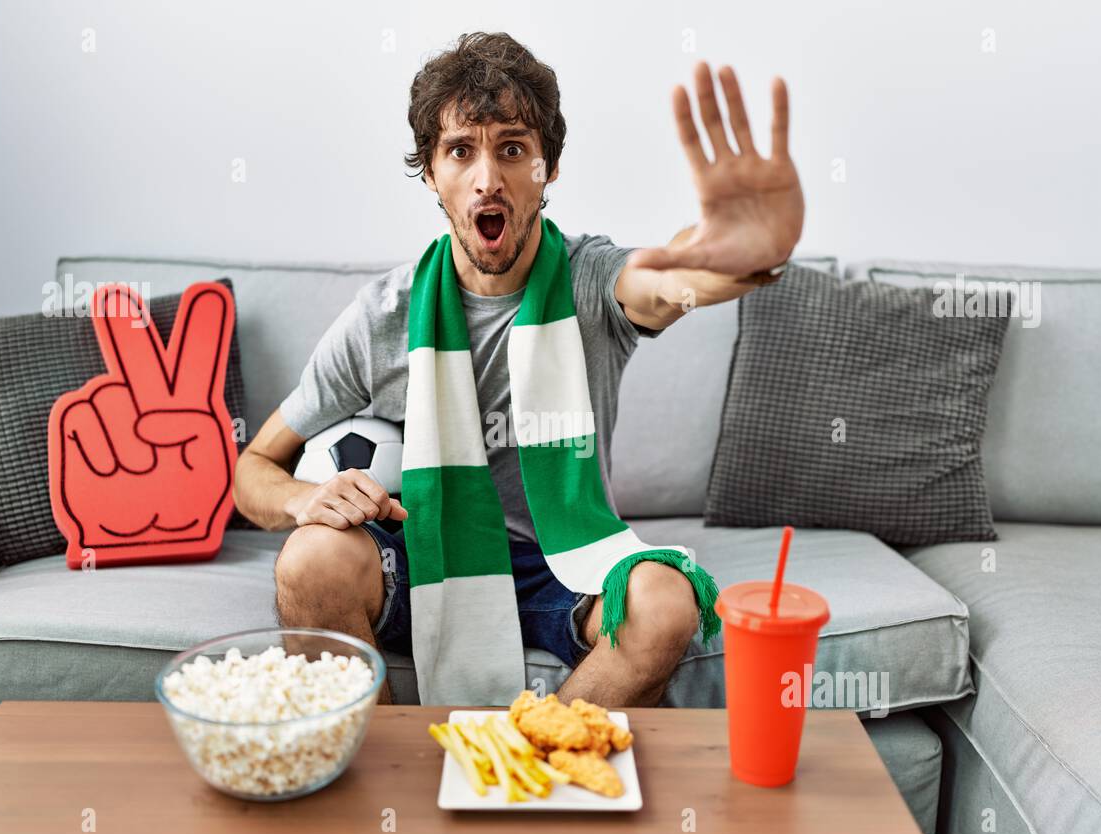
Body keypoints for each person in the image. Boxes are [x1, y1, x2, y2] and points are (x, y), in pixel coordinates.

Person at [232, 31, 804, 707]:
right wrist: (305, 500)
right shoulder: (384, 317)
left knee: (665, 602)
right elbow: (252, 471)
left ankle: (527, 763)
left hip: (562, 566)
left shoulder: (591, 280)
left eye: (512, 149)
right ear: (431, 172)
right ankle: (390, 783)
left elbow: (664, 280)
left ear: (547, 168)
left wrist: (742, 255)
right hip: (425, 558)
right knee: (309, 558)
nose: (486, 177)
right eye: (459, 150)